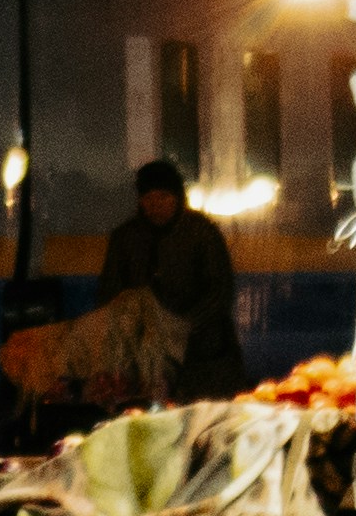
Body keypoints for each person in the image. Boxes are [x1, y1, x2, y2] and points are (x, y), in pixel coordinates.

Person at [93, 159, 247, 403]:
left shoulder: (202, 232)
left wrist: (181, 327)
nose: (156, 206)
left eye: (163, 197)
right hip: (143, 357)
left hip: (204, 357)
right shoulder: (125, 238)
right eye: (149, 199)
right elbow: (110, 292)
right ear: (140, 201)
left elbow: (219, 291)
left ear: (177, 197)